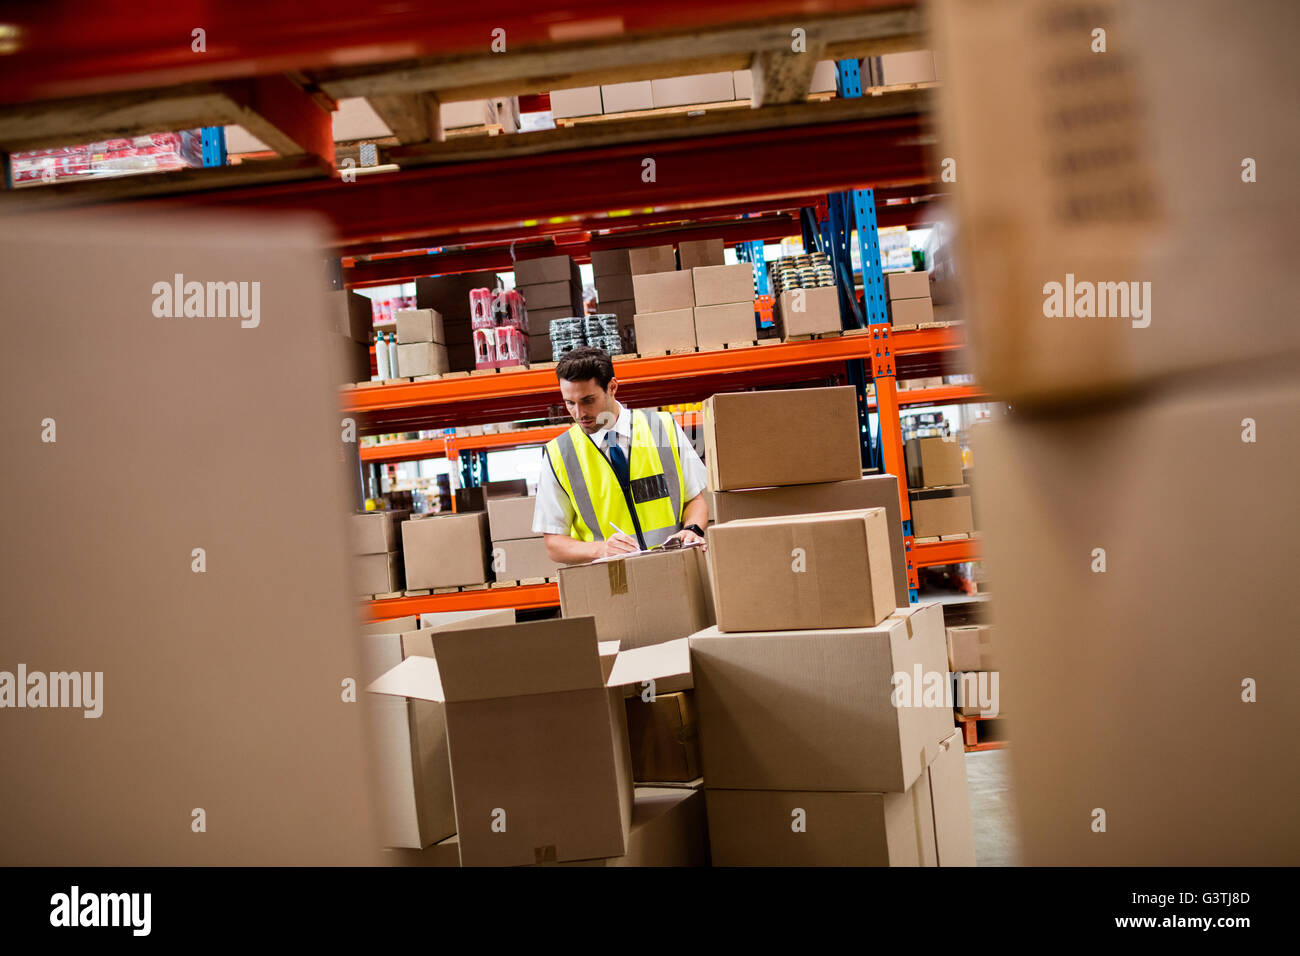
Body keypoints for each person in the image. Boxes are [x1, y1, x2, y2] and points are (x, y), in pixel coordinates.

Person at [532, 346, 709, 563]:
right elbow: (554, 544)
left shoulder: (664, 428)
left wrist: (692, 529)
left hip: (674, 568)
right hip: (613, 583)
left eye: (588, 400)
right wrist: (601, 550)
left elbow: (695, 500)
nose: (579, 414)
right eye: (570, 403)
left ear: (612, 387)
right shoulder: (558, 454)